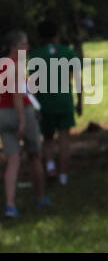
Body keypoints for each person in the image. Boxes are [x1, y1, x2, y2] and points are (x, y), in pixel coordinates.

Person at [1, 31, 48, 218]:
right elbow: (18, 95)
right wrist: (22, 120)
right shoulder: (15, 66)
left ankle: (10, 204)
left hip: (2, 115)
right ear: (14, 47)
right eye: (24, 44)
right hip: (20, 115)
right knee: (35, 155)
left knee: (12, 160)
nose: (27, 48)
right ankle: (40, 198)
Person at [28, 20, 77, 186]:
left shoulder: (35, 55)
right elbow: (76, 79)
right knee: (64, 141)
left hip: (45, 103)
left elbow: (33, 86)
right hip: (64, 102)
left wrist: (34, 107)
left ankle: (50, 167)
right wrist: (80, 102)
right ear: (57, 34)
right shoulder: (68, 52)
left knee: (47, 139)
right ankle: (64, 177)